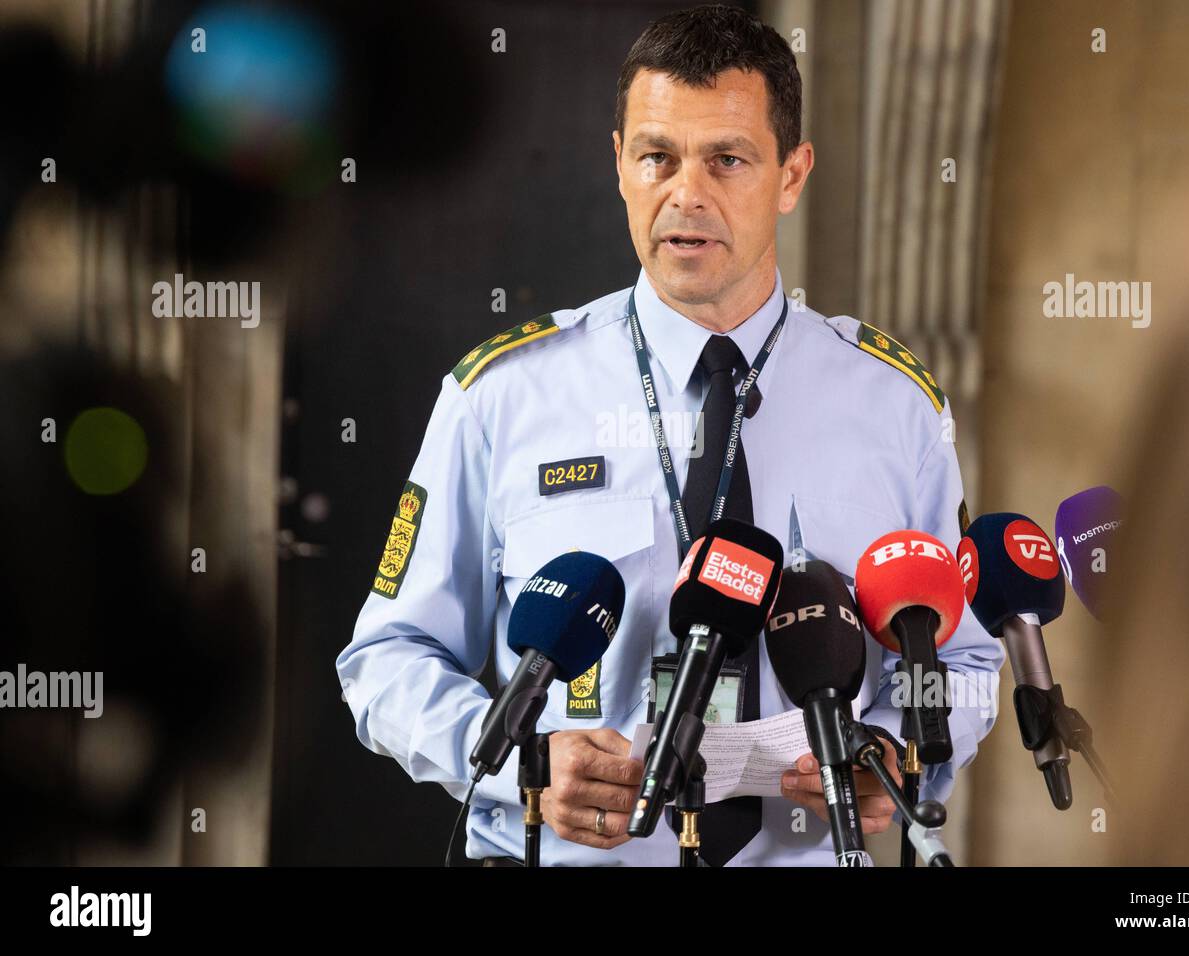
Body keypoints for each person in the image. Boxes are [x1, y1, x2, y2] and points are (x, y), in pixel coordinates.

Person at [337, 4, 1003, 866]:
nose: (686, 194)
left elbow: (973, 662)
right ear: (619, 164)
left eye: (728, 160)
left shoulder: (894, 407)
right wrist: (521, 765)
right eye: (658, 157)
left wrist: (902, 751)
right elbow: (385, 661)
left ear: (792, 175)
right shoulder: (500, 397)